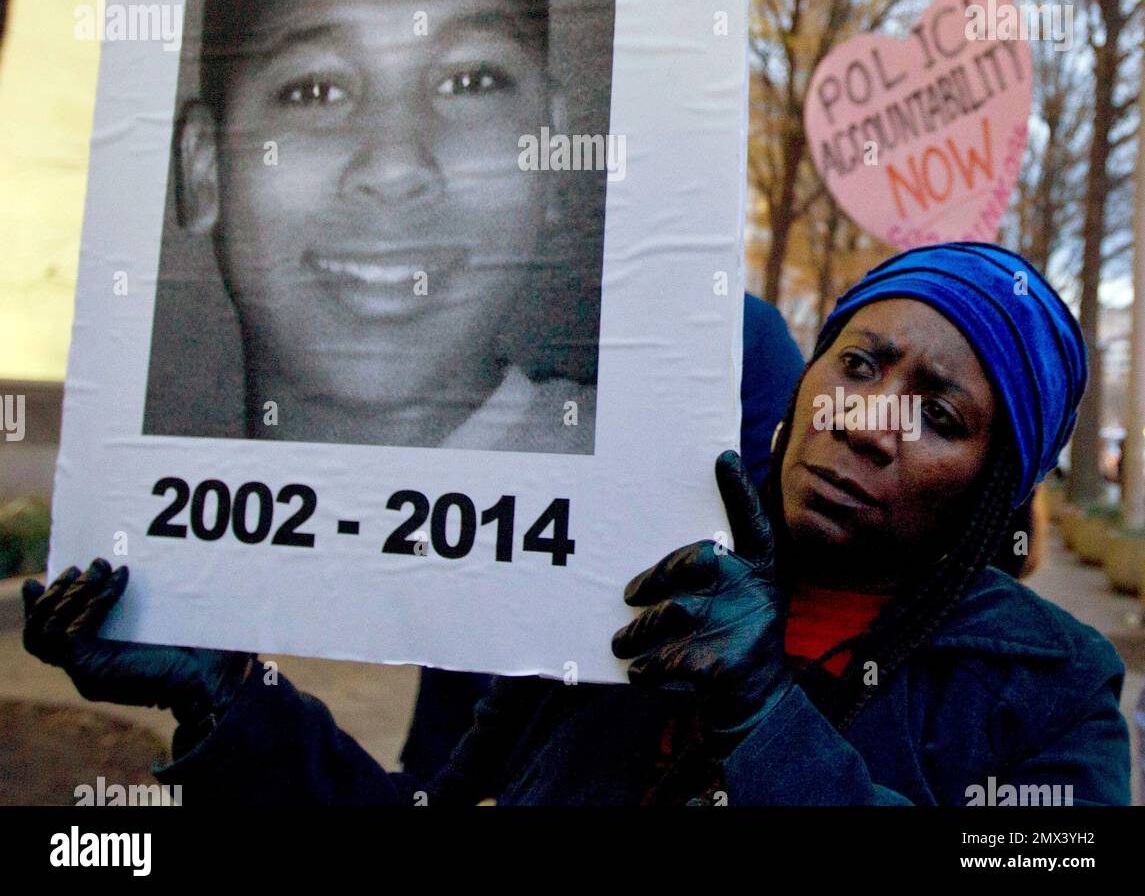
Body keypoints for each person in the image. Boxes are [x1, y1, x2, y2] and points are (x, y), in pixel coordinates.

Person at [25, 241, 1131, 804]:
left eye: (936, 413)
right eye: (856, 362)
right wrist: (226, 693)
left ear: (991, 486)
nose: (864, 420)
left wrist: (764, 721)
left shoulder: (1053, 689)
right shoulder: (633, 572)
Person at [167, 0, 597, 451]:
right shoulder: (126, 512)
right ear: (204, 169)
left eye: (470, 81)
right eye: (315, 90)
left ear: (553, 152)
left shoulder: (656, 492)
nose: (396, 166)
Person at [398, 289, 806, 779]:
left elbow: (769, 513)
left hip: (627, 688)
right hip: (480, 636)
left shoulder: (745, 331)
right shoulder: (547, 295)